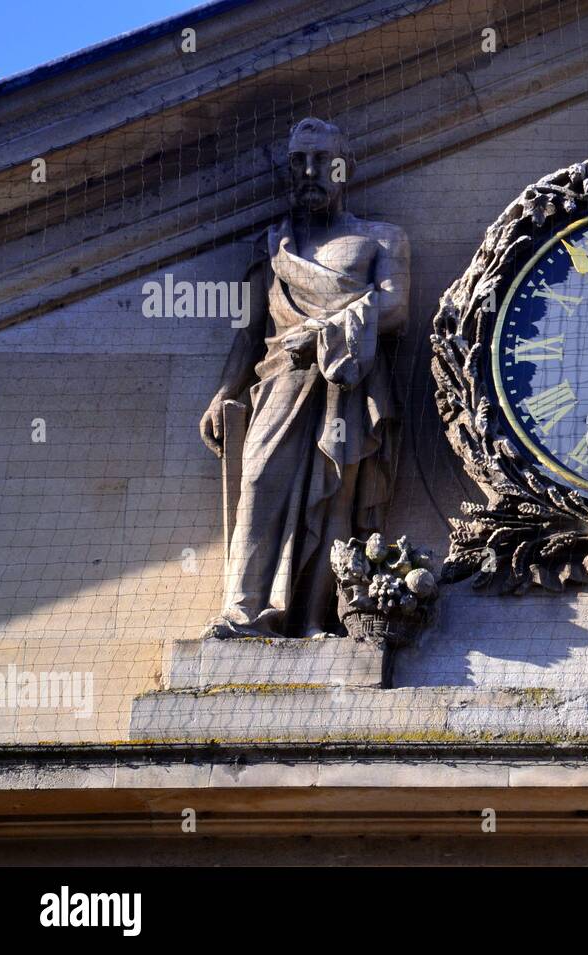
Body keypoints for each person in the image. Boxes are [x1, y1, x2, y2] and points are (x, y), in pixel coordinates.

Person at [198, 118, 409, 639]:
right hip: (281, 382)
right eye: (298, 162)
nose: (309, 171)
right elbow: (248, 334)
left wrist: (325, 334)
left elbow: (395, 308)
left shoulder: (381, 238)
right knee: (258, 482)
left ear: (346, 169)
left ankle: (313, 619)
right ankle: (244, 612)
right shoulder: (274, 246)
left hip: (346, 384)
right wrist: (223, 393)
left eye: (321, 160)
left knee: (333, 496)